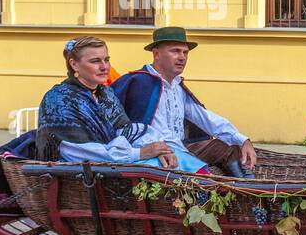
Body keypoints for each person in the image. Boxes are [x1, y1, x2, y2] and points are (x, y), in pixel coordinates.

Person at [35, 37, 204, 172]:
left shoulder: (105, 94)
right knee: (158, 170)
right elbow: (80, 152)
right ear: (74, 64)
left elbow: (127, 129)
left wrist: (162, 148)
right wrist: (139, 152)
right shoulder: (58, 100)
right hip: (77, 174)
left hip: (110, 165)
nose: (104, 67)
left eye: (106, 60)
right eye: (95, 61)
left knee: (181, 160)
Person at [112, 27, 257, 178]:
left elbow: (205, 118)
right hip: (154, 154)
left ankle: (245, 183)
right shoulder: (142, 83)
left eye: (185, 52)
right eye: (175, 51)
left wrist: (242, 140)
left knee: (225, 147)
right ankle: (238, 184)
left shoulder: (176, 85)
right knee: (195, 158)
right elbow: (160, 135)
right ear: (156, 54)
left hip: (179, 148)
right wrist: (189, 158)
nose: (182, 57)